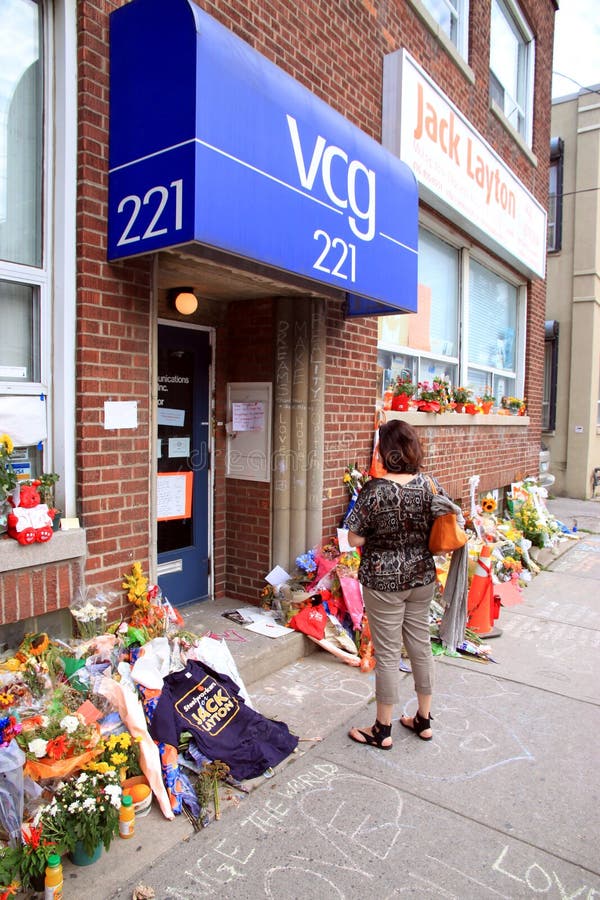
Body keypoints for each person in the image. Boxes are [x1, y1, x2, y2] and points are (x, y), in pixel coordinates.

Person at [345, 418, 449, 749]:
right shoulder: (430, 485)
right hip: (422, 577)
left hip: (383, 581)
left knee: (388, 653)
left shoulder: (374, 489)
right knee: (420, 646)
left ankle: (382, 729)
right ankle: (423, 719)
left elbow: (354, 538)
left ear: (385, 451)